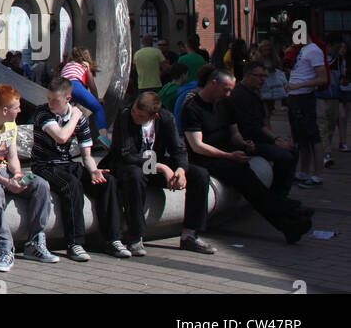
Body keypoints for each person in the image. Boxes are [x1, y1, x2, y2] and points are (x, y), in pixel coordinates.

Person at [181, 69, 311, 244]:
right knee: (251, 185)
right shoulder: (192, 107)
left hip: (230, 155)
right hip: (209, 158)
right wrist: (228, 155)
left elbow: (234, 132)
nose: (228, 94)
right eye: (226, 89)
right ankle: (291, 214)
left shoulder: (225, 104)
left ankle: (291, 219)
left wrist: (243, 144)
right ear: (213, 84)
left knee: (253, 185)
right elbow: (197, 146)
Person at [104, 91, 213, 256]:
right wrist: (161, 168)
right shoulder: (125, 116)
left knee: (200, 175)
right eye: (134, 111)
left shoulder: (165, 118)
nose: (135, 116)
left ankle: (190, 234)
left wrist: (181, 170)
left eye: (140, 116)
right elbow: (126, 154)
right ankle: (135, 236)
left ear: (154, 116)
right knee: (135, 175)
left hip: (154, 164)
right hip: (129, 165)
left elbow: (178, 148)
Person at [31, 77, 128, 260]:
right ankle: (75, 243)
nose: (50, 103)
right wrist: (75, 116)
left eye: (55, 100)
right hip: (45, 165)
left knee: (108, 182)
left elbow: (86, 155)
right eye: (49, 98)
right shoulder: (43, 113)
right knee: (71, 185)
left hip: (67, 163)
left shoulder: (80, 120)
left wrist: (93, 171)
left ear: (68, 98)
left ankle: (113, 239)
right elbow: (61, 137)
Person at [0, 83, 56, 272]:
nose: (20, 110)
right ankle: (5, 249)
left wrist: (16, 175)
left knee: (40, 185)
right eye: (17, 107)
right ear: (5, 110)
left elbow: (13, 157)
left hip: (6, 171)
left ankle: (35, 243)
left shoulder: (11, 124)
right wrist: (6, 182)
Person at [225, 62, 297, 197]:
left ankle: (280, 193)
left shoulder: (254, 94)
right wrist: (275, 142)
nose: (262, 80)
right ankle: (277, 196)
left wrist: (277, 138)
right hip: (247, 142)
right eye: (259, 76)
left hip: (258, 137)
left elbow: (262, 124)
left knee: (292, 151)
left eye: (264, 76)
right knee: (285, 157)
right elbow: (251, 128)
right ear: (247, 75)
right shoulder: (239, 95)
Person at [285, 31, 327, 187]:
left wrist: (299, 85)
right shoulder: (301, 50)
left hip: (304, 97)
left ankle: (317, 175)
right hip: (295, 96)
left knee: (312, 135)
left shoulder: (314, 50)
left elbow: (321, 78)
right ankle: (303, 171)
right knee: (300, 136)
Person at [59, 49, 108, 142]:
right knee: (98, 108)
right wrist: (96, 98)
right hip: (75, 86)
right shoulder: (84, 64)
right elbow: (91, 85)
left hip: (62, 88)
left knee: (63, 114)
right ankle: (104, 137)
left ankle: (61, 136)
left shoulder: (66, 65)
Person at [316, 36, 348, 165]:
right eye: (337, 47)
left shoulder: (339, 60)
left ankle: (325, 146)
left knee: (331, 123)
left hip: (334, 95)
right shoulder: (318, 59)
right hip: (319, 94)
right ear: (329, 45)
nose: (339, 49)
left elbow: (342, 76)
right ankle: (326, 152)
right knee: (322, 122)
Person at [257, 39, 287, 117]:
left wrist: (273, 68)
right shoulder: (257, 58)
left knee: (270, 102)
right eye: (265, 49)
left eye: (268, 50)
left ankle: (268, 115)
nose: (267, 52)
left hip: (272, 80)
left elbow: (279, 68)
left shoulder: (274, 58)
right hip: (262, 81)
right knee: (263, 102)